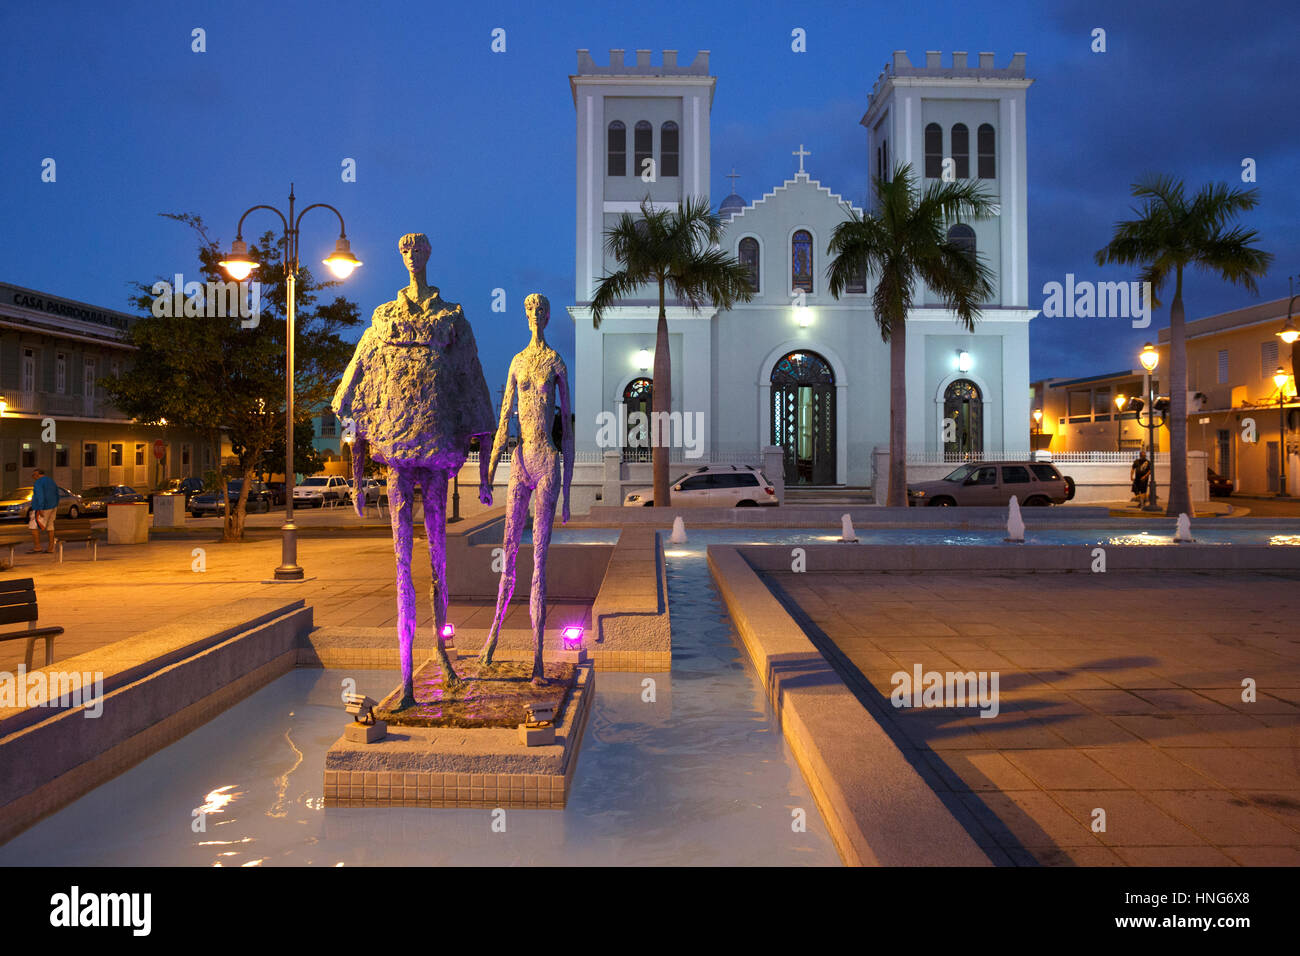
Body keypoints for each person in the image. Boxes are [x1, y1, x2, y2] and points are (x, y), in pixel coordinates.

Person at [332, 232, 495, 705]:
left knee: (437, 560)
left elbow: (474, 382)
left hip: (437, 448)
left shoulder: (452, 319)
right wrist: (358, 478)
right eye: (404, 249)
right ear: (400, 256)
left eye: (418, 249)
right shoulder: (383, 320)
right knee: (401, 563)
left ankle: (443, 658)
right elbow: (357, 388)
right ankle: (406, 677)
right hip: (397, 451)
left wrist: (483, 470)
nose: (411, 256)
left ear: (427, 255)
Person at [477, 294, 574, 684]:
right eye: (529, 310)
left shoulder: (556, 363)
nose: (535, 315)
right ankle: (492, 641)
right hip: (519, 460)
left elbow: (565, 427)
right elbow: (504, 420)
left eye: (540, 310)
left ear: (548, 316)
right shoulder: (518, 362)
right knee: (509, 556)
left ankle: (537, 658)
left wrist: (567, 491)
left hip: (547, 460)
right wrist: (486, 474)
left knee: (538, 564)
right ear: (526, 314)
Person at [29, 468, 59, 553]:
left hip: (42, 507)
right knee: (50, 526)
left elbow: (40, 495)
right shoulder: (51, 481)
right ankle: (51, 547)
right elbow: (57, 494)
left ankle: (37, 546)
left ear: (37, 475)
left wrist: (41, 507)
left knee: (33, 525)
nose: (33, 477)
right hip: (53, 506)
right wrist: (55, 505)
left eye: (33, 475)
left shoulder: (38, 482)